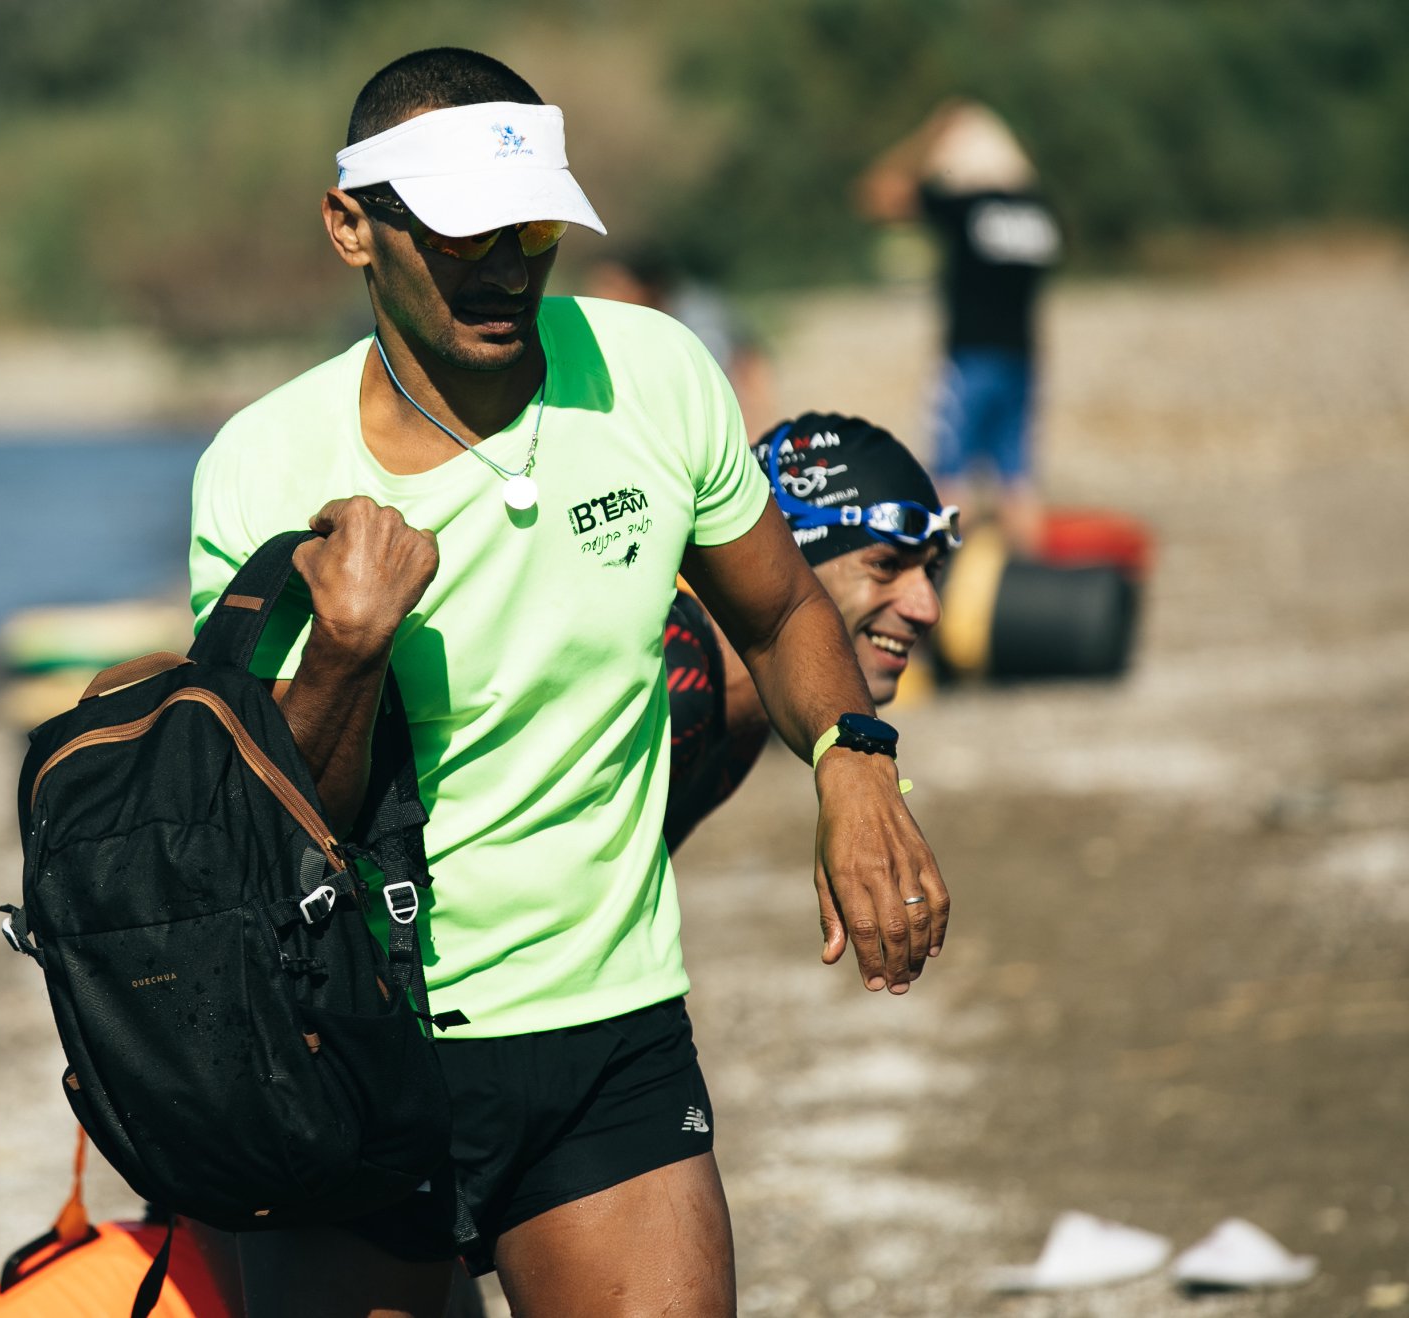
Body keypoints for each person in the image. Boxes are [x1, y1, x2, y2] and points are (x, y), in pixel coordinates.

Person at [187, 48, 948, 1318]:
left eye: (533, 226)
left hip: (610, 1036)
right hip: (356, 1045)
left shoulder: (653, 373)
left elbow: (780, 606)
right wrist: (344, 656)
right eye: (462, 233)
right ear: (351, 229)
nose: (505, 265)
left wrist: (854, 762)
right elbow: (262, 827)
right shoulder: (261, 467)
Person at [665, 412, 957, 852]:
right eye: (885, 566)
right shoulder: (672, 683)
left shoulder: (748, 712)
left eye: (930, 570)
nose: (928, 609)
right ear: (787, 558)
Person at [856, 100, 1059, 556]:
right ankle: (1027, 583)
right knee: (1017, 479)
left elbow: (878, 192)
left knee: (949, 475)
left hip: (970, 355)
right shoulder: (1039, 211)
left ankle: (941, 580)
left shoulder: (966, 206)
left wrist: (925, 139)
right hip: (1023, 358)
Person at [583, 245, 778, 436]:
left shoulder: (698, 323)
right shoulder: (628, 325)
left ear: (647, 286)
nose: (600, 296)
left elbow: (748, 368)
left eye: (612, 285)